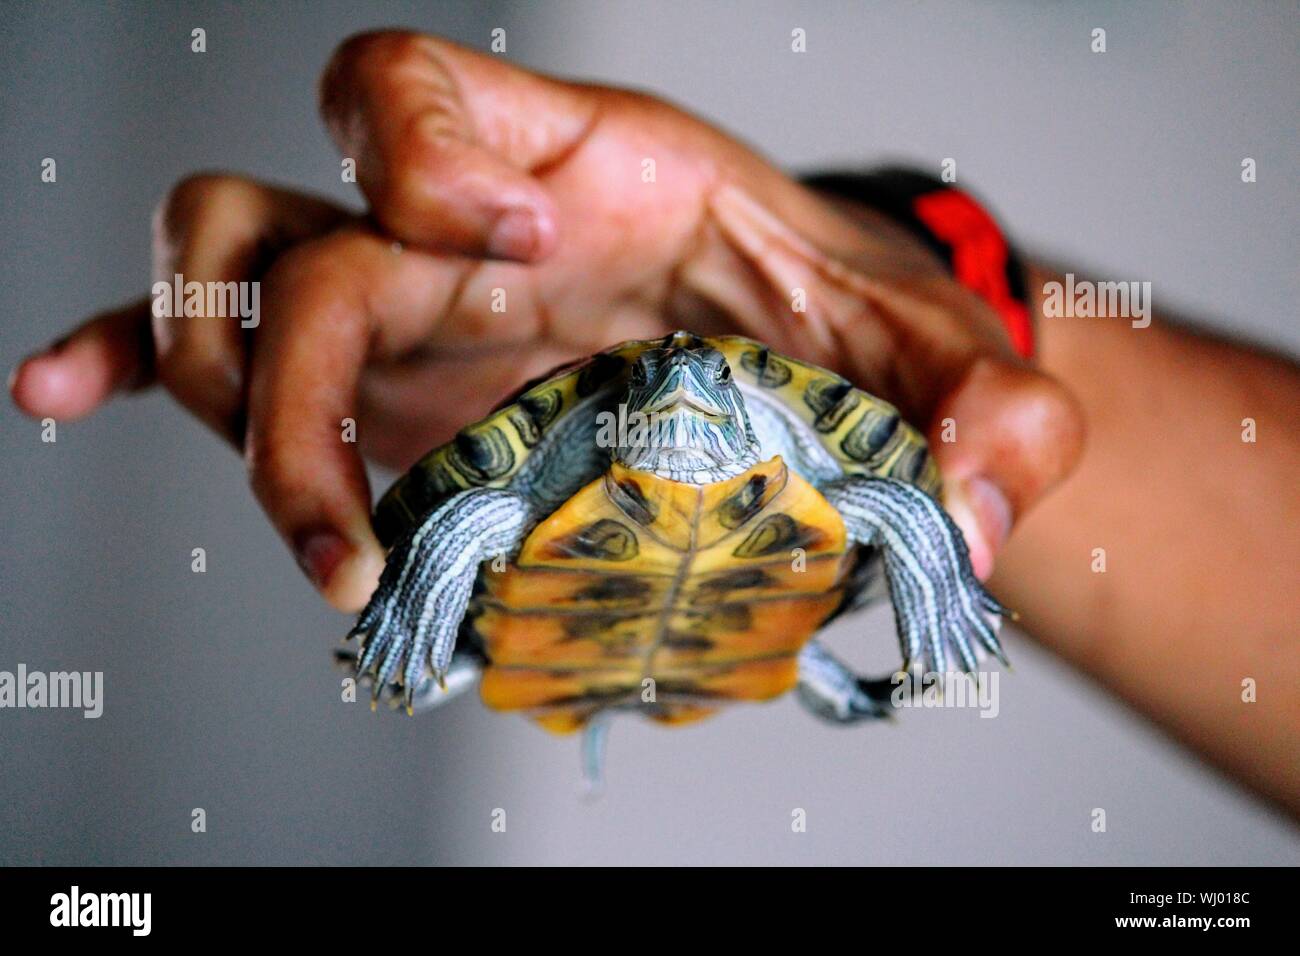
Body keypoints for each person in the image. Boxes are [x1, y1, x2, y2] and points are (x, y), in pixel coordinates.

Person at [10, 32, 1297, 815]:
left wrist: (937, 569)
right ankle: (453, 643)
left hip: (729, 622)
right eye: (664, 366)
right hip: (594, 610)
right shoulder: (592, 439)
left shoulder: (784, 445)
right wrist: (912, 285)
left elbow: (909, 501)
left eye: (713, 367)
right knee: (476, 527)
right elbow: (485, 508)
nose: (684, 379)